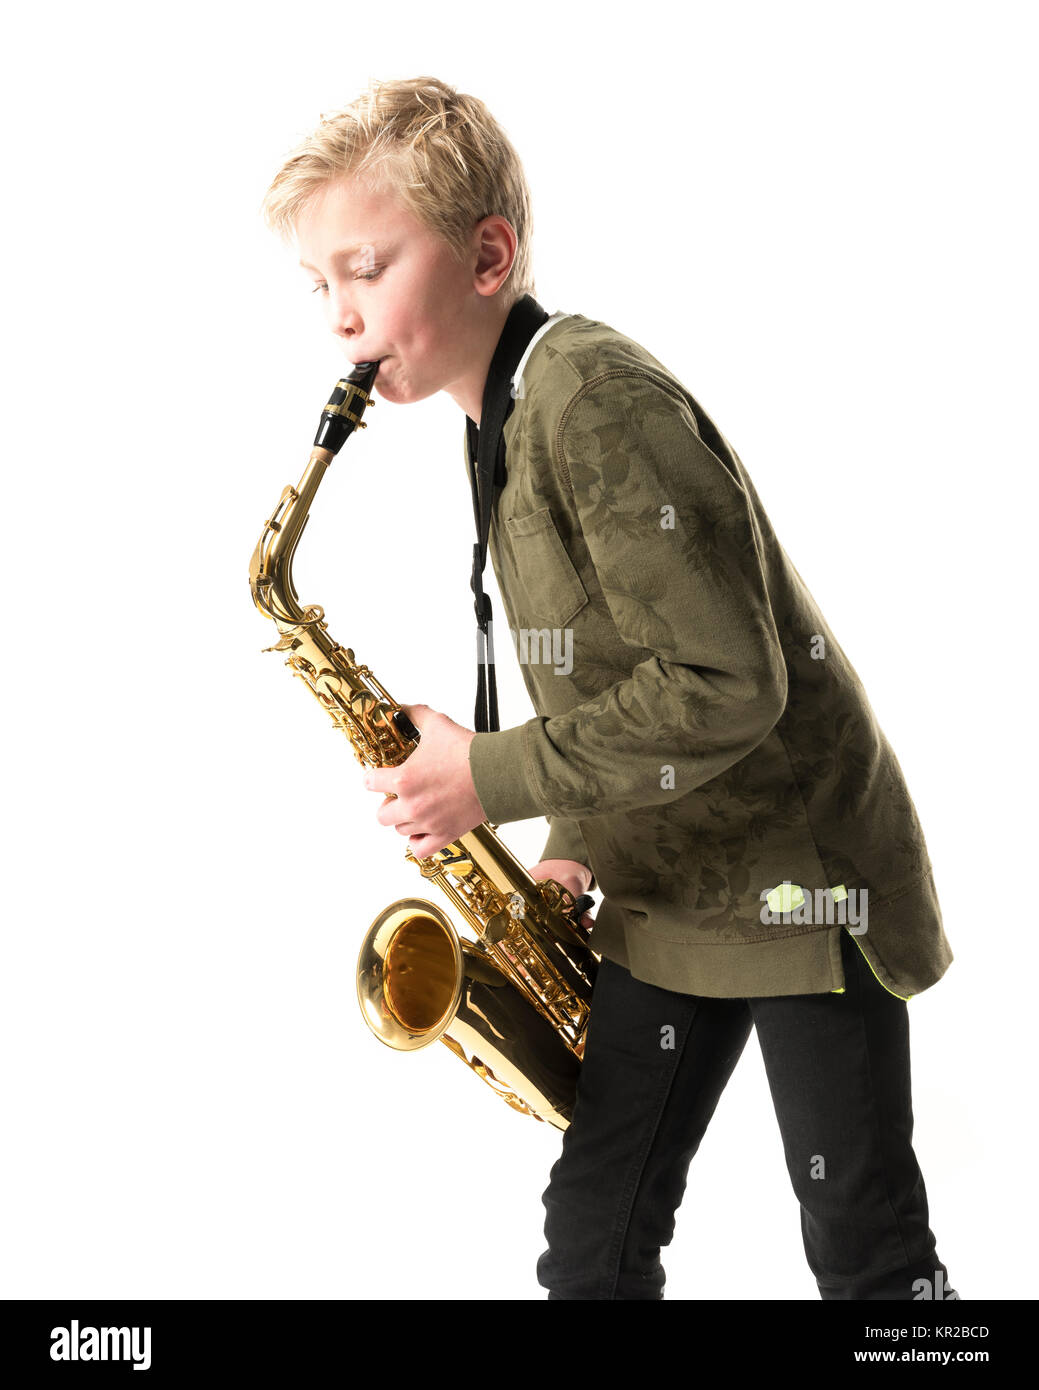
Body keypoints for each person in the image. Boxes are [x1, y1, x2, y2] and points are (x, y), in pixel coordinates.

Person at [260, 75, 959, 1301]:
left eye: (364, 268)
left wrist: (487, 774)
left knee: (865, 1252)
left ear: (489, 256)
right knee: (590, 1243)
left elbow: (727, 683)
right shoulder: (500, 425)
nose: (338, 316)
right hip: (668, 884)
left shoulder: (588, 399)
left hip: (801, 885)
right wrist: (572, 841)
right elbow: (625, 674)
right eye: (320, 284)